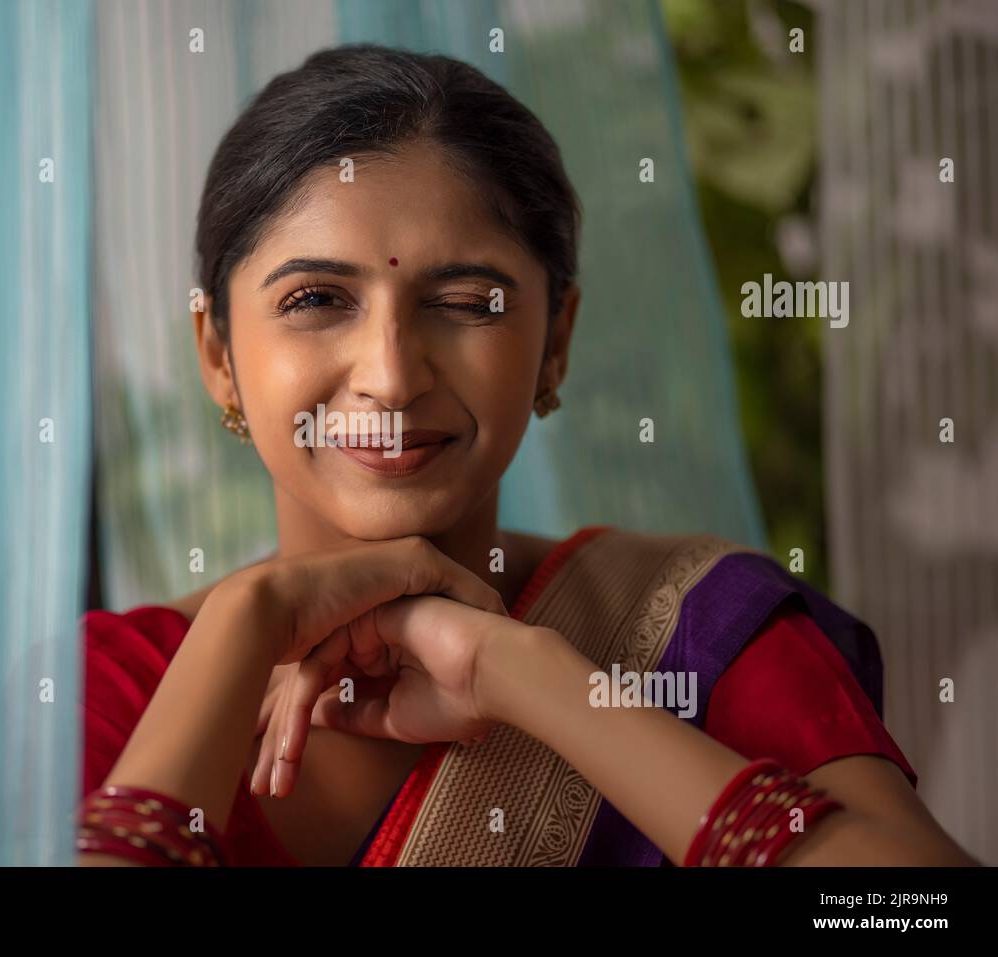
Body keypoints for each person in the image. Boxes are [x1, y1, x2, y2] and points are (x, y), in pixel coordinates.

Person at [77, 44, 975, 867]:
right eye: (317, 298)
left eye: (466, 302)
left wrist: (536, 680)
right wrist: (248, 621)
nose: (390, 376)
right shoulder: (109, 689)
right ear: (219, 354)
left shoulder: (696, 632)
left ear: (556, 342)